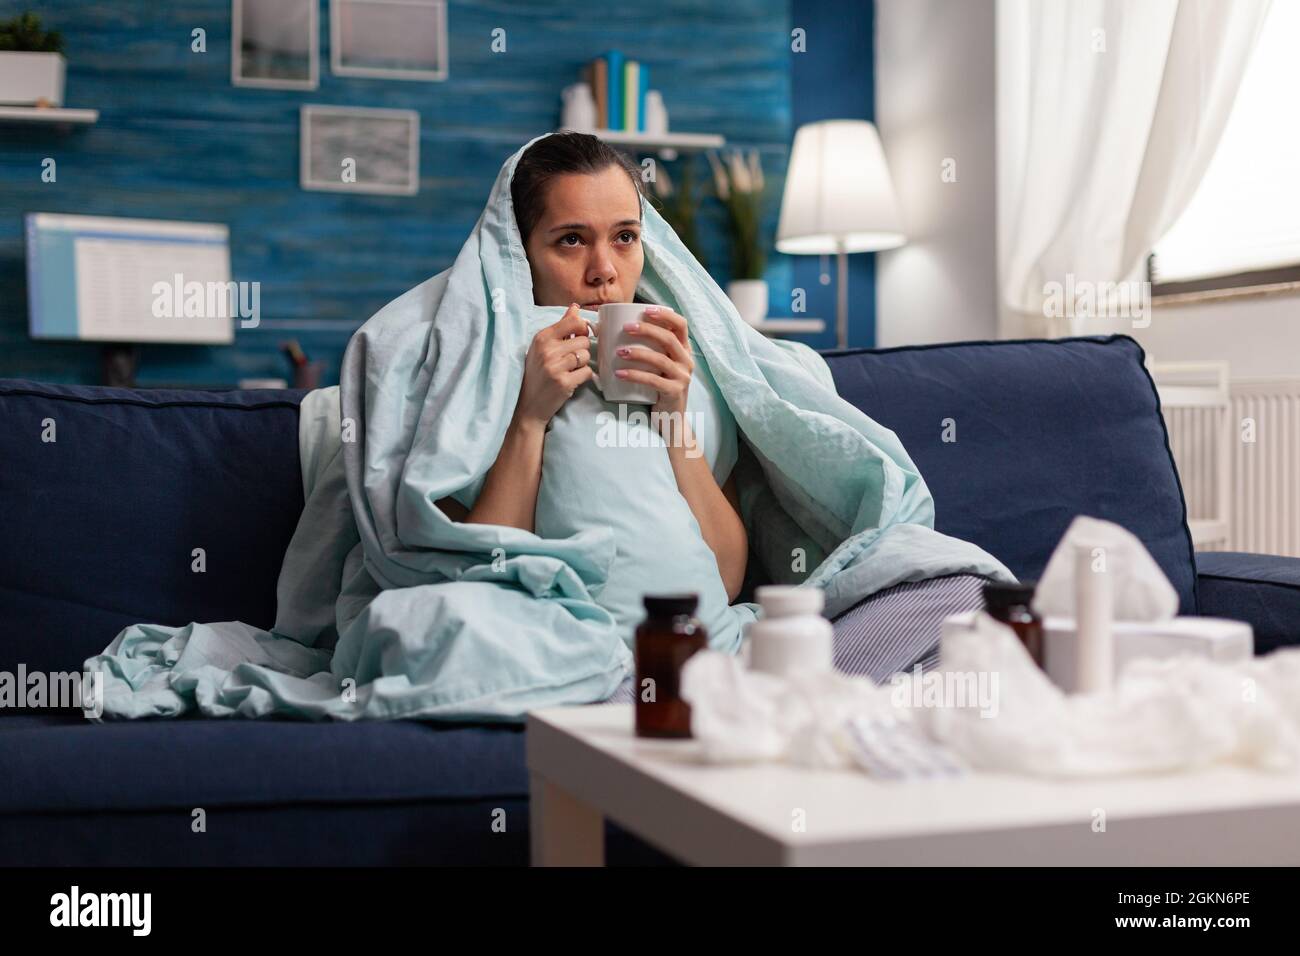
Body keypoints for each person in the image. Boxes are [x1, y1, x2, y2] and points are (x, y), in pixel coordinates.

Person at [434, 132, 990, 696]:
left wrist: (674, 413)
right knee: (451, 642)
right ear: (519, 251)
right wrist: (530, 419)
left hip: (710, 646)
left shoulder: (683, 366)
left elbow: (723, 580)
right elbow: (484, 578)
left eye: (625, 237)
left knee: (960, 592)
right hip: (568, 649)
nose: (604, 269)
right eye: (571, 240)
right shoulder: (480, 371)